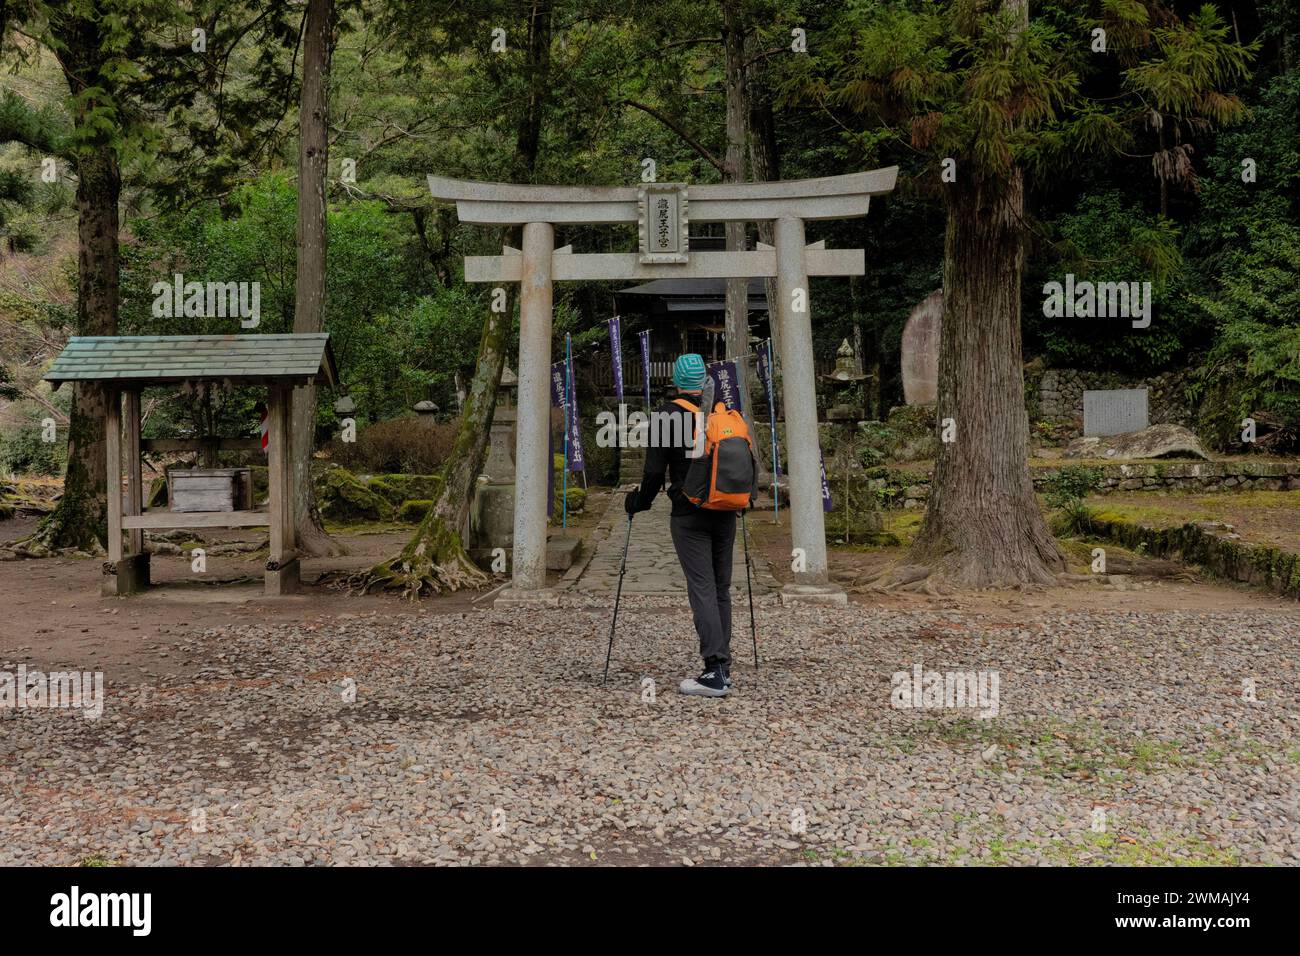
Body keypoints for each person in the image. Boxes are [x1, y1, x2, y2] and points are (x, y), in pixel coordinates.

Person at [625, 353, 735, 697]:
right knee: (720, 588)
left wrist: (637, 503)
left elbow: (655, 474)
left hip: (689, 513)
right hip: (725, 508)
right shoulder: (720, 415)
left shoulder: (666, 416)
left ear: (675, 381)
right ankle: (724, 667)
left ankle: (714, 671)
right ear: (703, 382)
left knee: (702, 587)